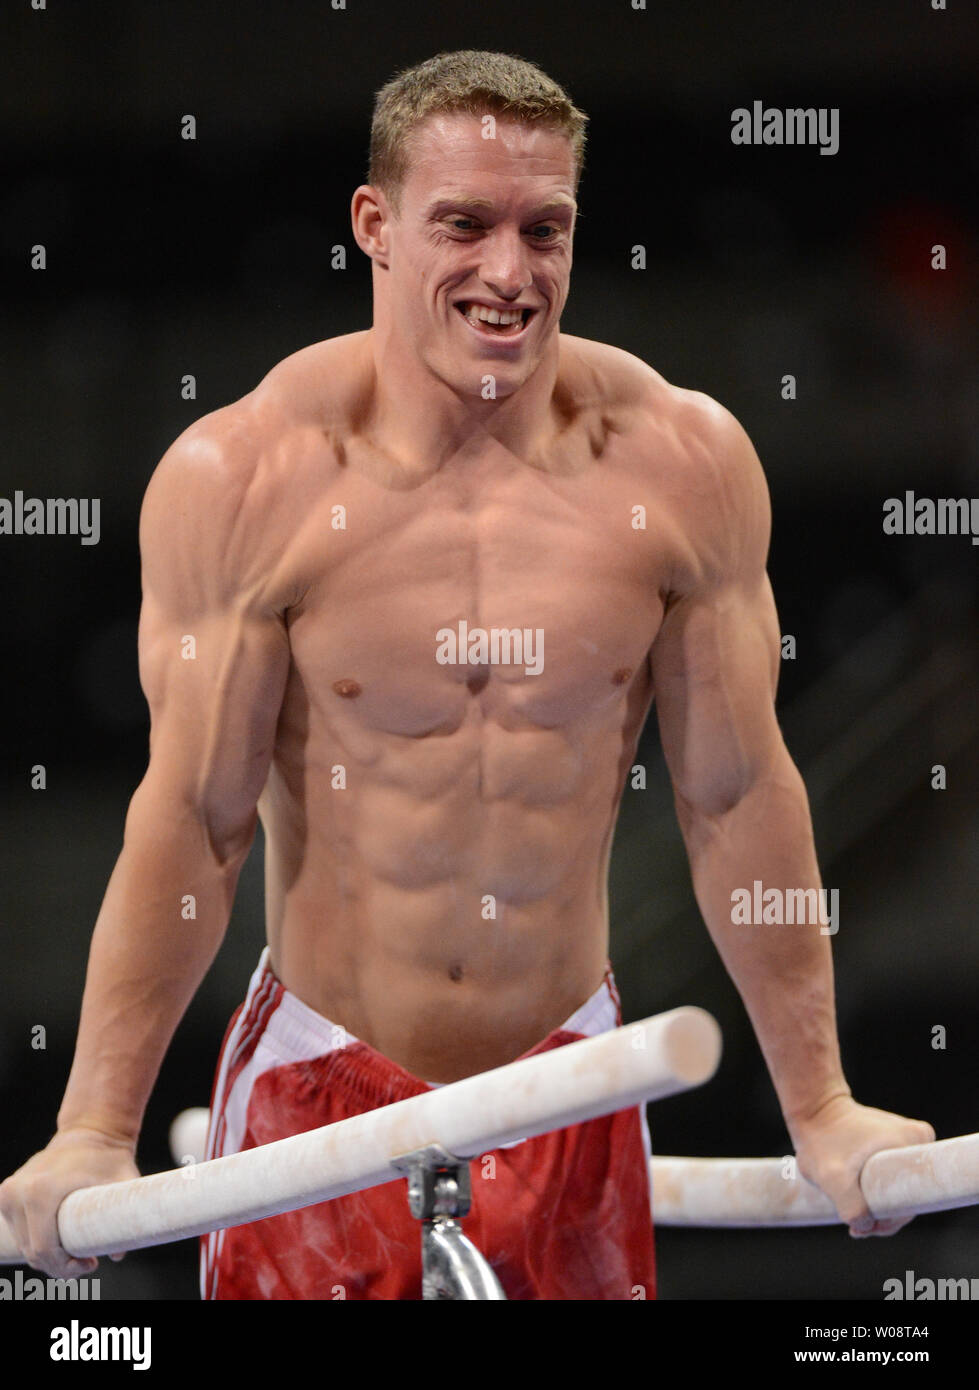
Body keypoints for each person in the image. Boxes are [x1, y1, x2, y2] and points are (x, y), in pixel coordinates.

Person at [0, 50, 934, 1299]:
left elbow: (736, 797)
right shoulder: (246, 479)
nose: (510, 273)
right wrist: (92, 1131)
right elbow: (193, 824)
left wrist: (821, 1109)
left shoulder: (682, 463)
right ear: (373, 226)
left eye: (544, 229)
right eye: (466, 225)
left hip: (573, 1077)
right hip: (320, 1082)